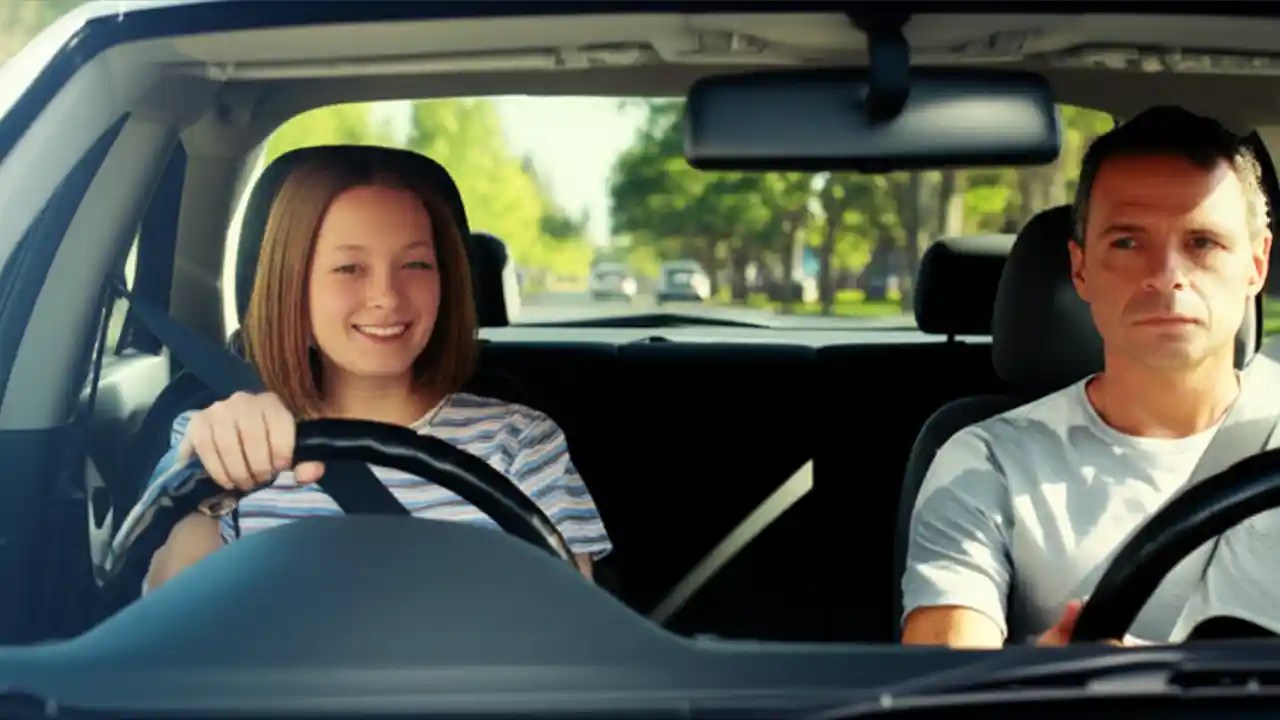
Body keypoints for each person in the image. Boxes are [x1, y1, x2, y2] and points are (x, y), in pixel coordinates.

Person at [142, 151, 612, 592]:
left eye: (415, 264)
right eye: (349, 268)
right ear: (291, 288)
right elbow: (164, 639)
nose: (386, 295)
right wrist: (206, 482)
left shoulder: (520, 442)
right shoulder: (226, 438)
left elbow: (569, 634)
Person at [899, 105, 1273, 648]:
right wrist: (1047, 679)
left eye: (1202, 243)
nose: (1167, 277)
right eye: (1127, 242)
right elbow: (941, 688)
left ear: (1256, 266)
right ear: (1080, 268)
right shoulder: (986, 463)